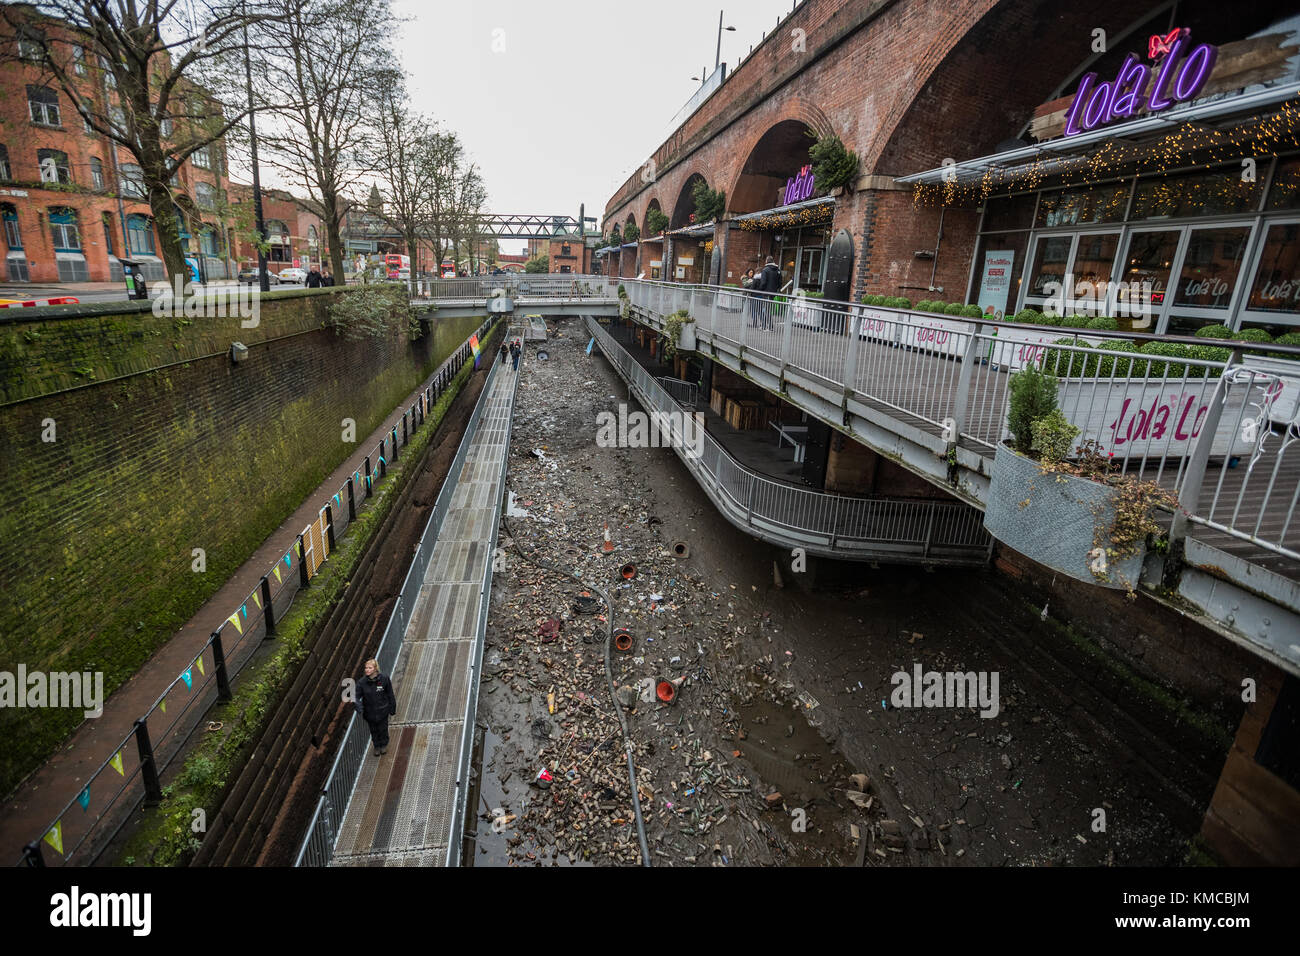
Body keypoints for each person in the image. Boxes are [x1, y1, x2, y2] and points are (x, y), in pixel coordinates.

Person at [355, 658, 396, 755]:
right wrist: (359, 708)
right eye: (366, 668)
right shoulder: (361, 683)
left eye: (369, 668)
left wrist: (392, 708)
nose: (367, 670)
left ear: (375, 669)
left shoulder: (384, 679)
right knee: (373, 730)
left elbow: (390, 694)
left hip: (383, 711)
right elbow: (355, 696)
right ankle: (376, 746)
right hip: (370, 712)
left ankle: (384, 745)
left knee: (383, 729)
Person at [756, 256, 781, 330]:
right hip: (773, 293)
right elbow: (780, 282)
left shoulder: (765, 270)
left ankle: (768, 327)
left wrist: (760, 289)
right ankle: (766, 326)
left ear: (767, 261)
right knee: (767, 309)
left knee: (766, 310)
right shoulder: (778, 270)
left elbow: (763, 282)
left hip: (766, 293)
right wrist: (776, 289)